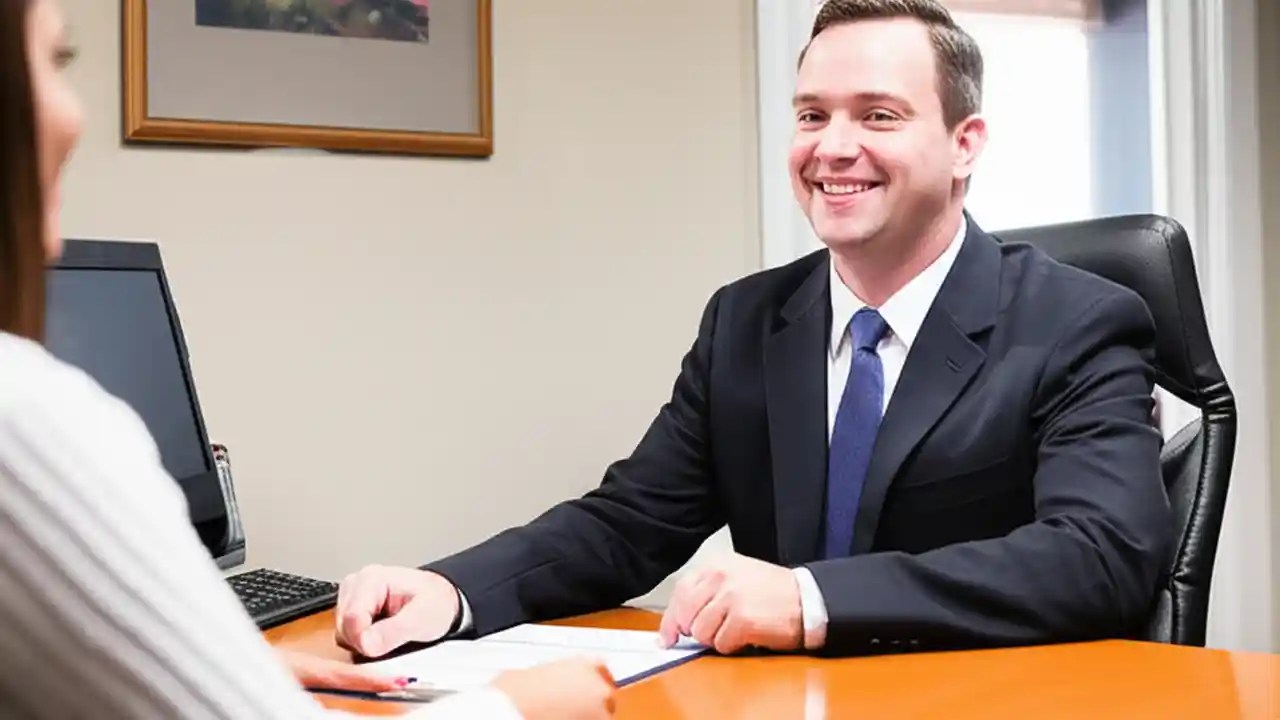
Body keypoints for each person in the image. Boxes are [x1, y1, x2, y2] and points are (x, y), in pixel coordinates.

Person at [336, 0, 1174, 662]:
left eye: (877, 116)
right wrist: (451, 590)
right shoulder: (745, 321)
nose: (832, 148)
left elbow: (1099, 555)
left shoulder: (1078, 322)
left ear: (965, 145)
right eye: (812, 116)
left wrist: (811, 600)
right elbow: (627, 523)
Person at [0, 1, 616, 718]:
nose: (73, 116)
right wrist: (521, 709)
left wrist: (201, 668)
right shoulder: (25, 414)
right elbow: (624, 520)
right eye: (52, 61)